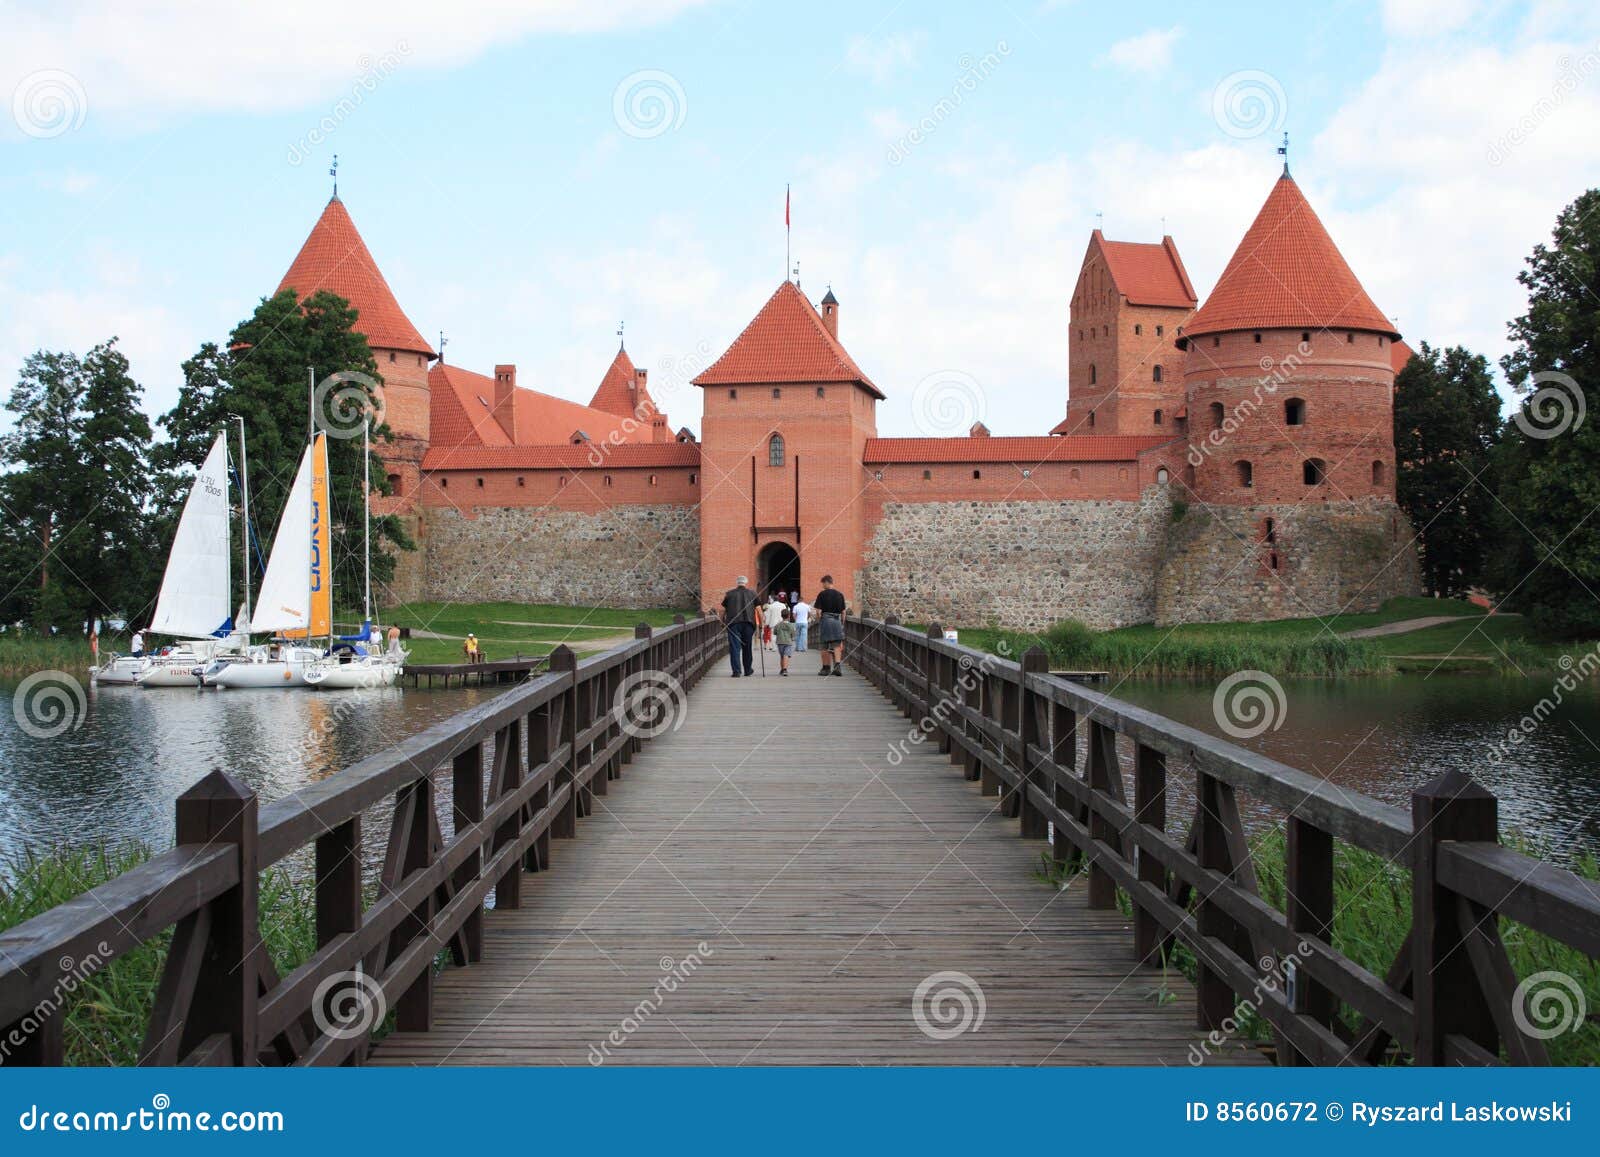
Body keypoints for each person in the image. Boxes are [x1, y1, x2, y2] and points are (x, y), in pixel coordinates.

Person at [721, 575, 758, 677]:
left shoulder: (729, 594)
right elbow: (758, 609)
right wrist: (762, 622)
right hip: (748, 623)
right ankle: (747, 670)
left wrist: (722, 621)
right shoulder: (752, 593)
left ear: (737, 583)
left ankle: (736, 671)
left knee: (734, 648)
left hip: (733, 623)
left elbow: (724, 610)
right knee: (747, 647)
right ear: (746, 583)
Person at [813, 575, 847, 676]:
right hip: (837, 620)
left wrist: (820, 620)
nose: (822, 586)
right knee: (836, 644)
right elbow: (844, 612)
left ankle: (826, 668)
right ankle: (837, 667)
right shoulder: (840, 594)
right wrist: (842, 622)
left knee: (824, 644)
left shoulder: (822, 594)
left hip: (826, 620)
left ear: (827, 582)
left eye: (823, 583)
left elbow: (818, 611)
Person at [774, 608, 797, 675]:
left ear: (781, 616)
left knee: (782, 656)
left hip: (780, 642)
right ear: (789, 616)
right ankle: (785, 670)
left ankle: (781, 669)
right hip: (788, 642)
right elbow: (793, 634)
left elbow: (775, 632)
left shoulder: (778, 625)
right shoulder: (791, 625)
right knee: (786, 655)